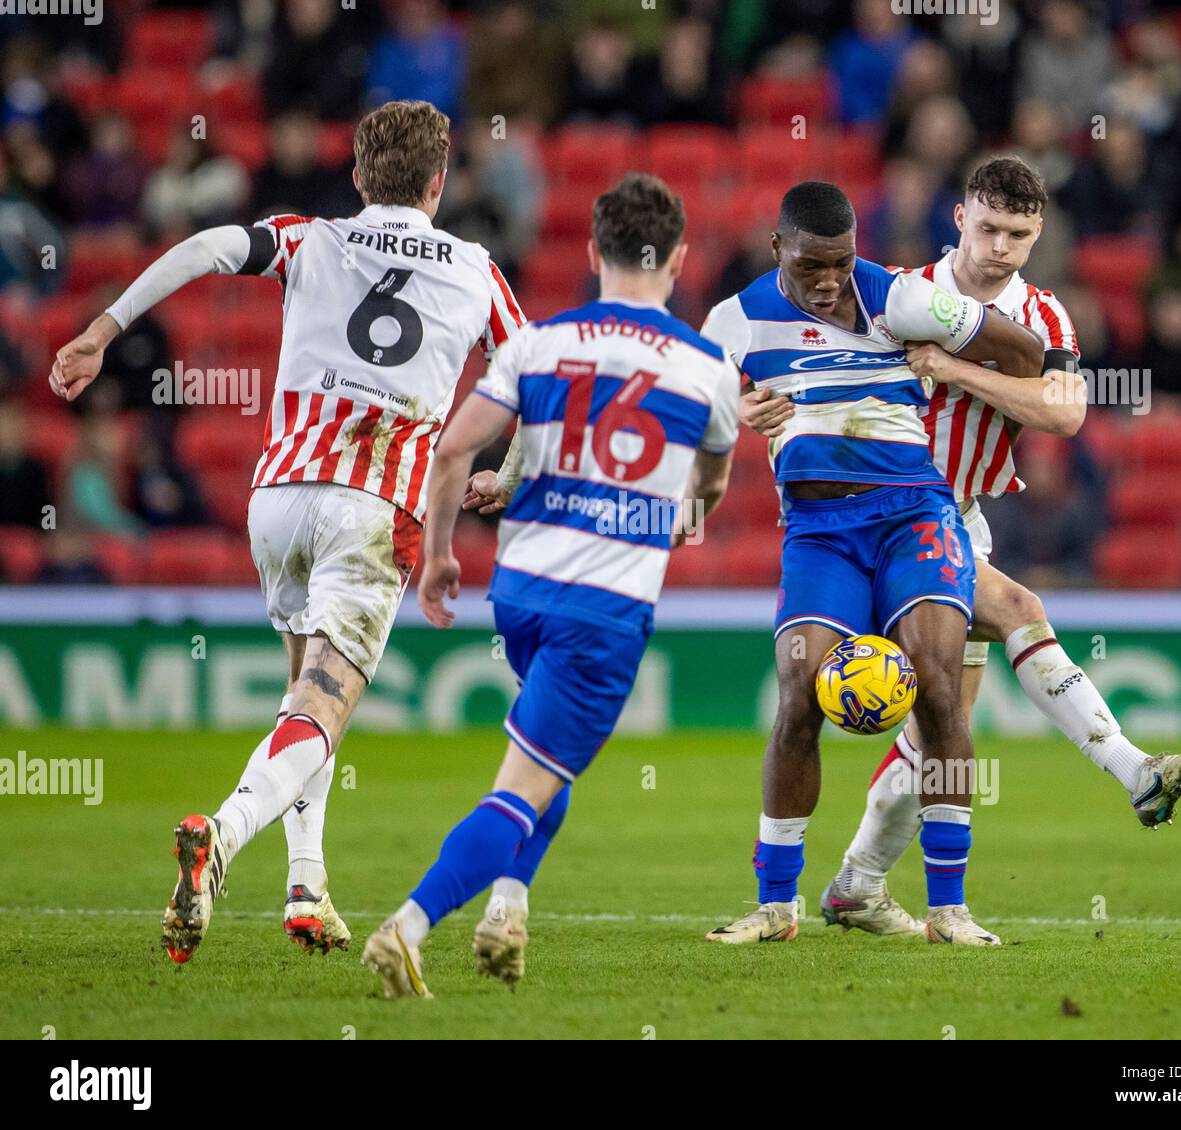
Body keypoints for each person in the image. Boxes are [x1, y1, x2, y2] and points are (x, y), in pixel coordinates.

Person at [48, 100, 526, 964]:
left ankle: (307, 886)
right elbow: (527, 376)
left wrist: (104, 326)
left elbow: (206, 248)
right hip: (374, 507)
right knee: (322, 706)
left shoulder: (311, 236)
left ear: (356, 176)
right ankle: (223, 837)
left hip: (278, 498)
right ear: (439, 182)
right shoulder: (476, 267)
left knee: (303, 705)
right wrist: (509, 473)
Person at [743, 157, 1181, 936]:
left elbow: (1063, 416)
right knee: (1019, 611)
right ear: (959, 216)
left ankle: (856, 884)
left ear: (1037, 236)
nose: (1001, 247)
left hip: (957, 520)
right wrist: (760, 405)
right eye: (989, 227)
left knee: (935, 733)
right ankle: (1134, 770)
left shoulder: (1045, 319)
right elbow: (803, 369)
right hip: (885, 516)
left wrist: (954, 368)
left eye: (1019, 235)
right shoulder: (894, 294)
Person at [362, 173, 739, 997]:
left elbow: (456, 448)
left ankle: (508, 909)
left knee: (543, 759)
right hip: (602, 614)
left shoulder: (537, 342)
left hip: (521, 594)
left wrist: (437, 556)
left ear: (594, 249)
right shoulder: (706, 366)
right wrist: (677, 507)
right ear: (677, 256)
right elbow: (707, 490)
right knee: (522, 787)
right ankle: (409, 925)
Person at [695, 181, 1045, 947]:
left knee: (940, 686)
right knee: (798, 693)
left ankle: (948, 909)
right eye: (813, 265)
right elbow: (696, 427)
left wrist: (947, 365)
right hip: (820, 531)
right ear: (777, 249)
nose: (829, 281)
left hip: (915, 517)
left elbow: (1029, 352)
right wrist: (739, 413)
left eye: (842, 263)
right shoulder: (734, 323)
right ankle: (776, 905)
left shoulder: (904, 297)